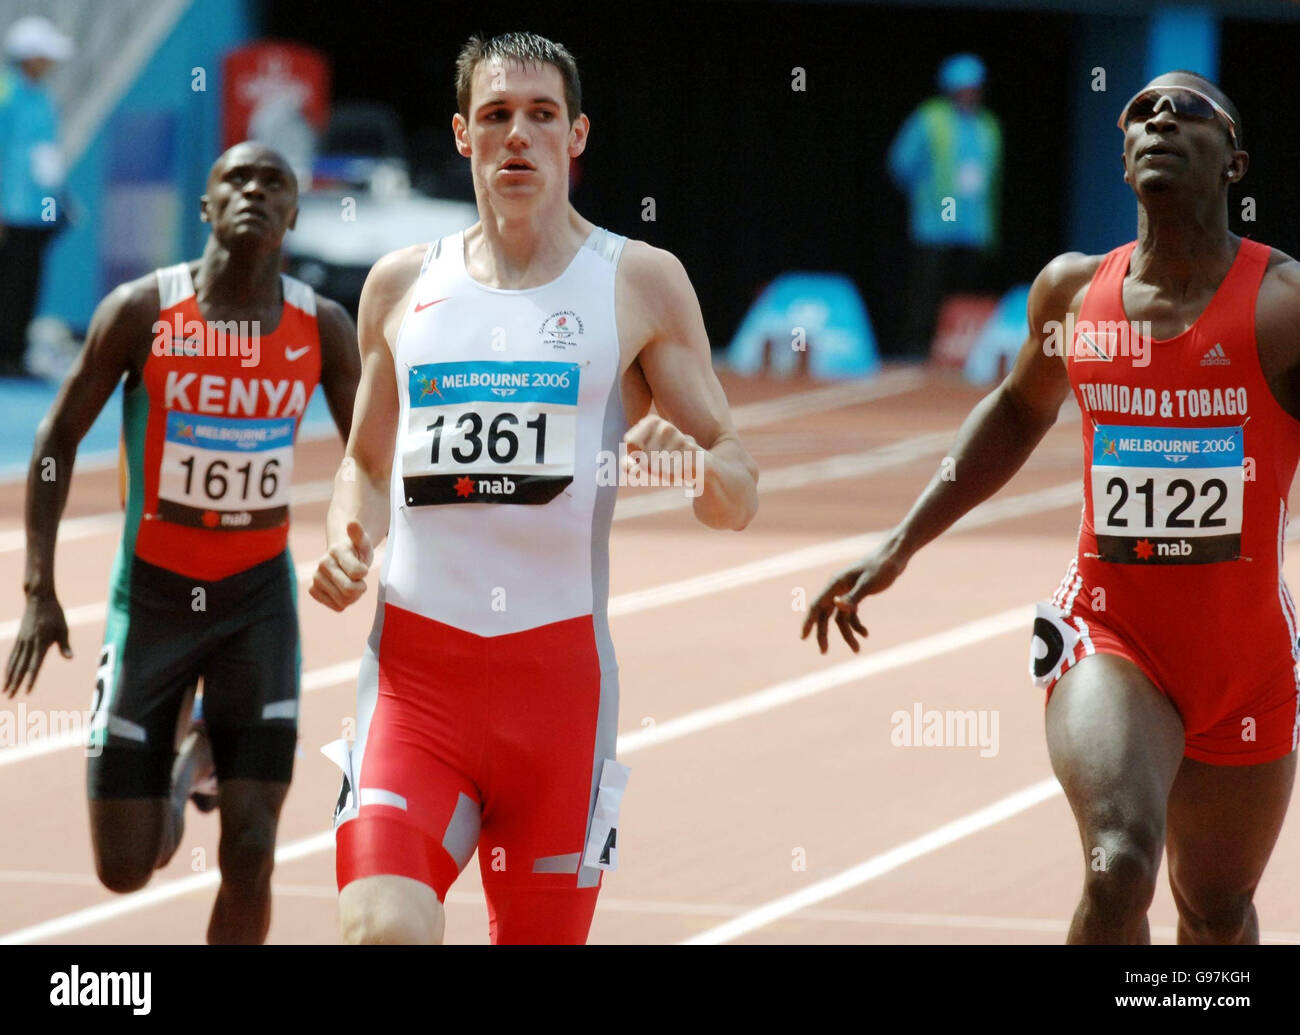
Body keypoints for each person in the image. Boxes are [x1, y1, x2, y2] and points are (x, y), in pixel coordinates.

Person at [805, 71, 1299, 945]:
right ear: (1121, 156)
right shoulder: (1072, 296)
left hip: (1247, 655)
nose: (1158, 122)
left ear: (1236, 163)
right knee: (1121, 862)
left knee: (1217, 912)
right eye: (1140, 112)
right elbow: (1016, 411)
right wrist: (901, 543)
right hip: (1112, 636)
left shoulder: (1282, 307)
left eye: (1189, 113)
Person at [310, 31, 759, 946]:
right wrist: (345, 537)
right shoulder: (401, 286)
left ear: (577, 135)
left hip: (557, 698)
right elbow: (363, 461)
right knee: (378, 929)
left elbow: (739, 486)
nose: (519, 135)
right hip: (414, 683)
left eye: (541, 116)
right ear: (463, 136)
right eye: (497, 116)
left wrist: (693, 467)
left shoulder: (638, 281)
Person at [3, 142, 361, 944]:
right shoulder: (143, 311)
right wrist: (38, 589)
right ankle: (182, 769)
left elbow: (370, 456)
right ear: (205, 207)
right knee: (124, 867)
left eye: (275, 183)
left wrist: (372, 542)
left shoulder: (321, 327)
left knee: (252, 848)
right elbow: (56, 439)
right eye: (236, 179)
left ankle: (214, 753)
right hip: (153, 605)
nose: (255, 193)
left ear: (295, 214)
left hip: (256, 611)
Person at [887, 53, 1002, 360]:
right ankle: (917, 350)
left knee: (965, 294)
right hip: (935, 224)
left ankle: (959, 354)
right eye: (963, 88)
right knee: (927, 293)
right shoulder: (929, 118)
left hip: (973, 226)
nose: (969, 93)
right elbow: (901, 163)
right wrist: (926, 196)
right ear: (950, 89)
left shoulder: (987, 124)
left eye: (974, 87)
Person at [0, 16, 73, 377]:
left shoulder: (43, 97)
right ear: (28, 57)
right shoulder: (5, 93)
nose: (51, 63)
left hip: (38, 209)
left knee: (27, 282)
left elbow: (45, 155)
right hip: (9, 209)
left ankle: (14, 351)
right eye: (44, 55)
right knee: (7, 282)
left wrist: (61, 201)